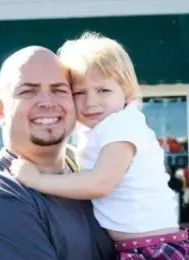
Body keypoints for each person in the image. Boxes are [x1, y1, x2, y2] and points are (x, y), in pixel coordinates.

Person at [10, 33, 189, 259]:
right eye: (79, 93)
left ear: (127, 92)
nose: (91, 102)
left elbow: (100, 182)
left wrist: (38, 180)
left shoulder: (121, 125)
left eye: (103, 90)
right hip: (136, 247)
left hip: (150, 249)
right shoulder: (97, 130)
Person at [0, 46, 117, 260]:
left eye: (59, 90)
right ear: (0, 109)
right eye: (28, 91)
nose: (48, 102)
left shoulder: (90, 169)